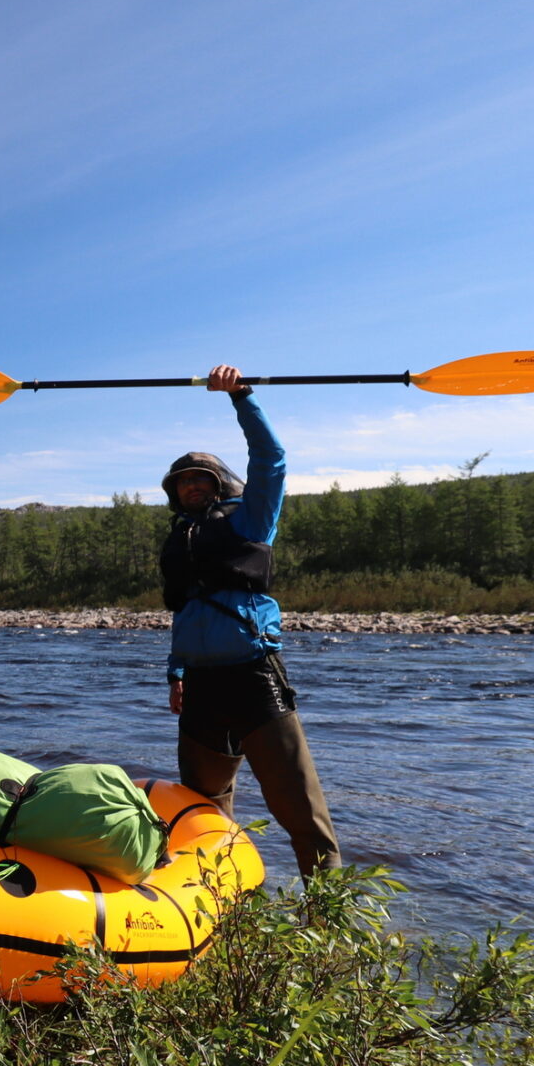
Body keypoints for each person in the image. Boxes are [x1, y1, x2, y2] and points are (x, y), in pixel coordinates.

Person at [161, 364, 341, 878]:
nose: (193, 486)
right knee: (204, 810)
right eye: (184, 483)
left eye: (202, 479)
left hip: (253, 676)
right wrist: (176, 672)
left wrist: (241, 397)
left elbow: (272, 459)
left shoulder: (250, 520)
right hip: (199, 685)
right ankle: (230, 913)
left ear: (219, 485)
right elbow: (185, 609)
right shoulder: (180, 541)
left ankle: (328, 921)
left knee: (298, 808)